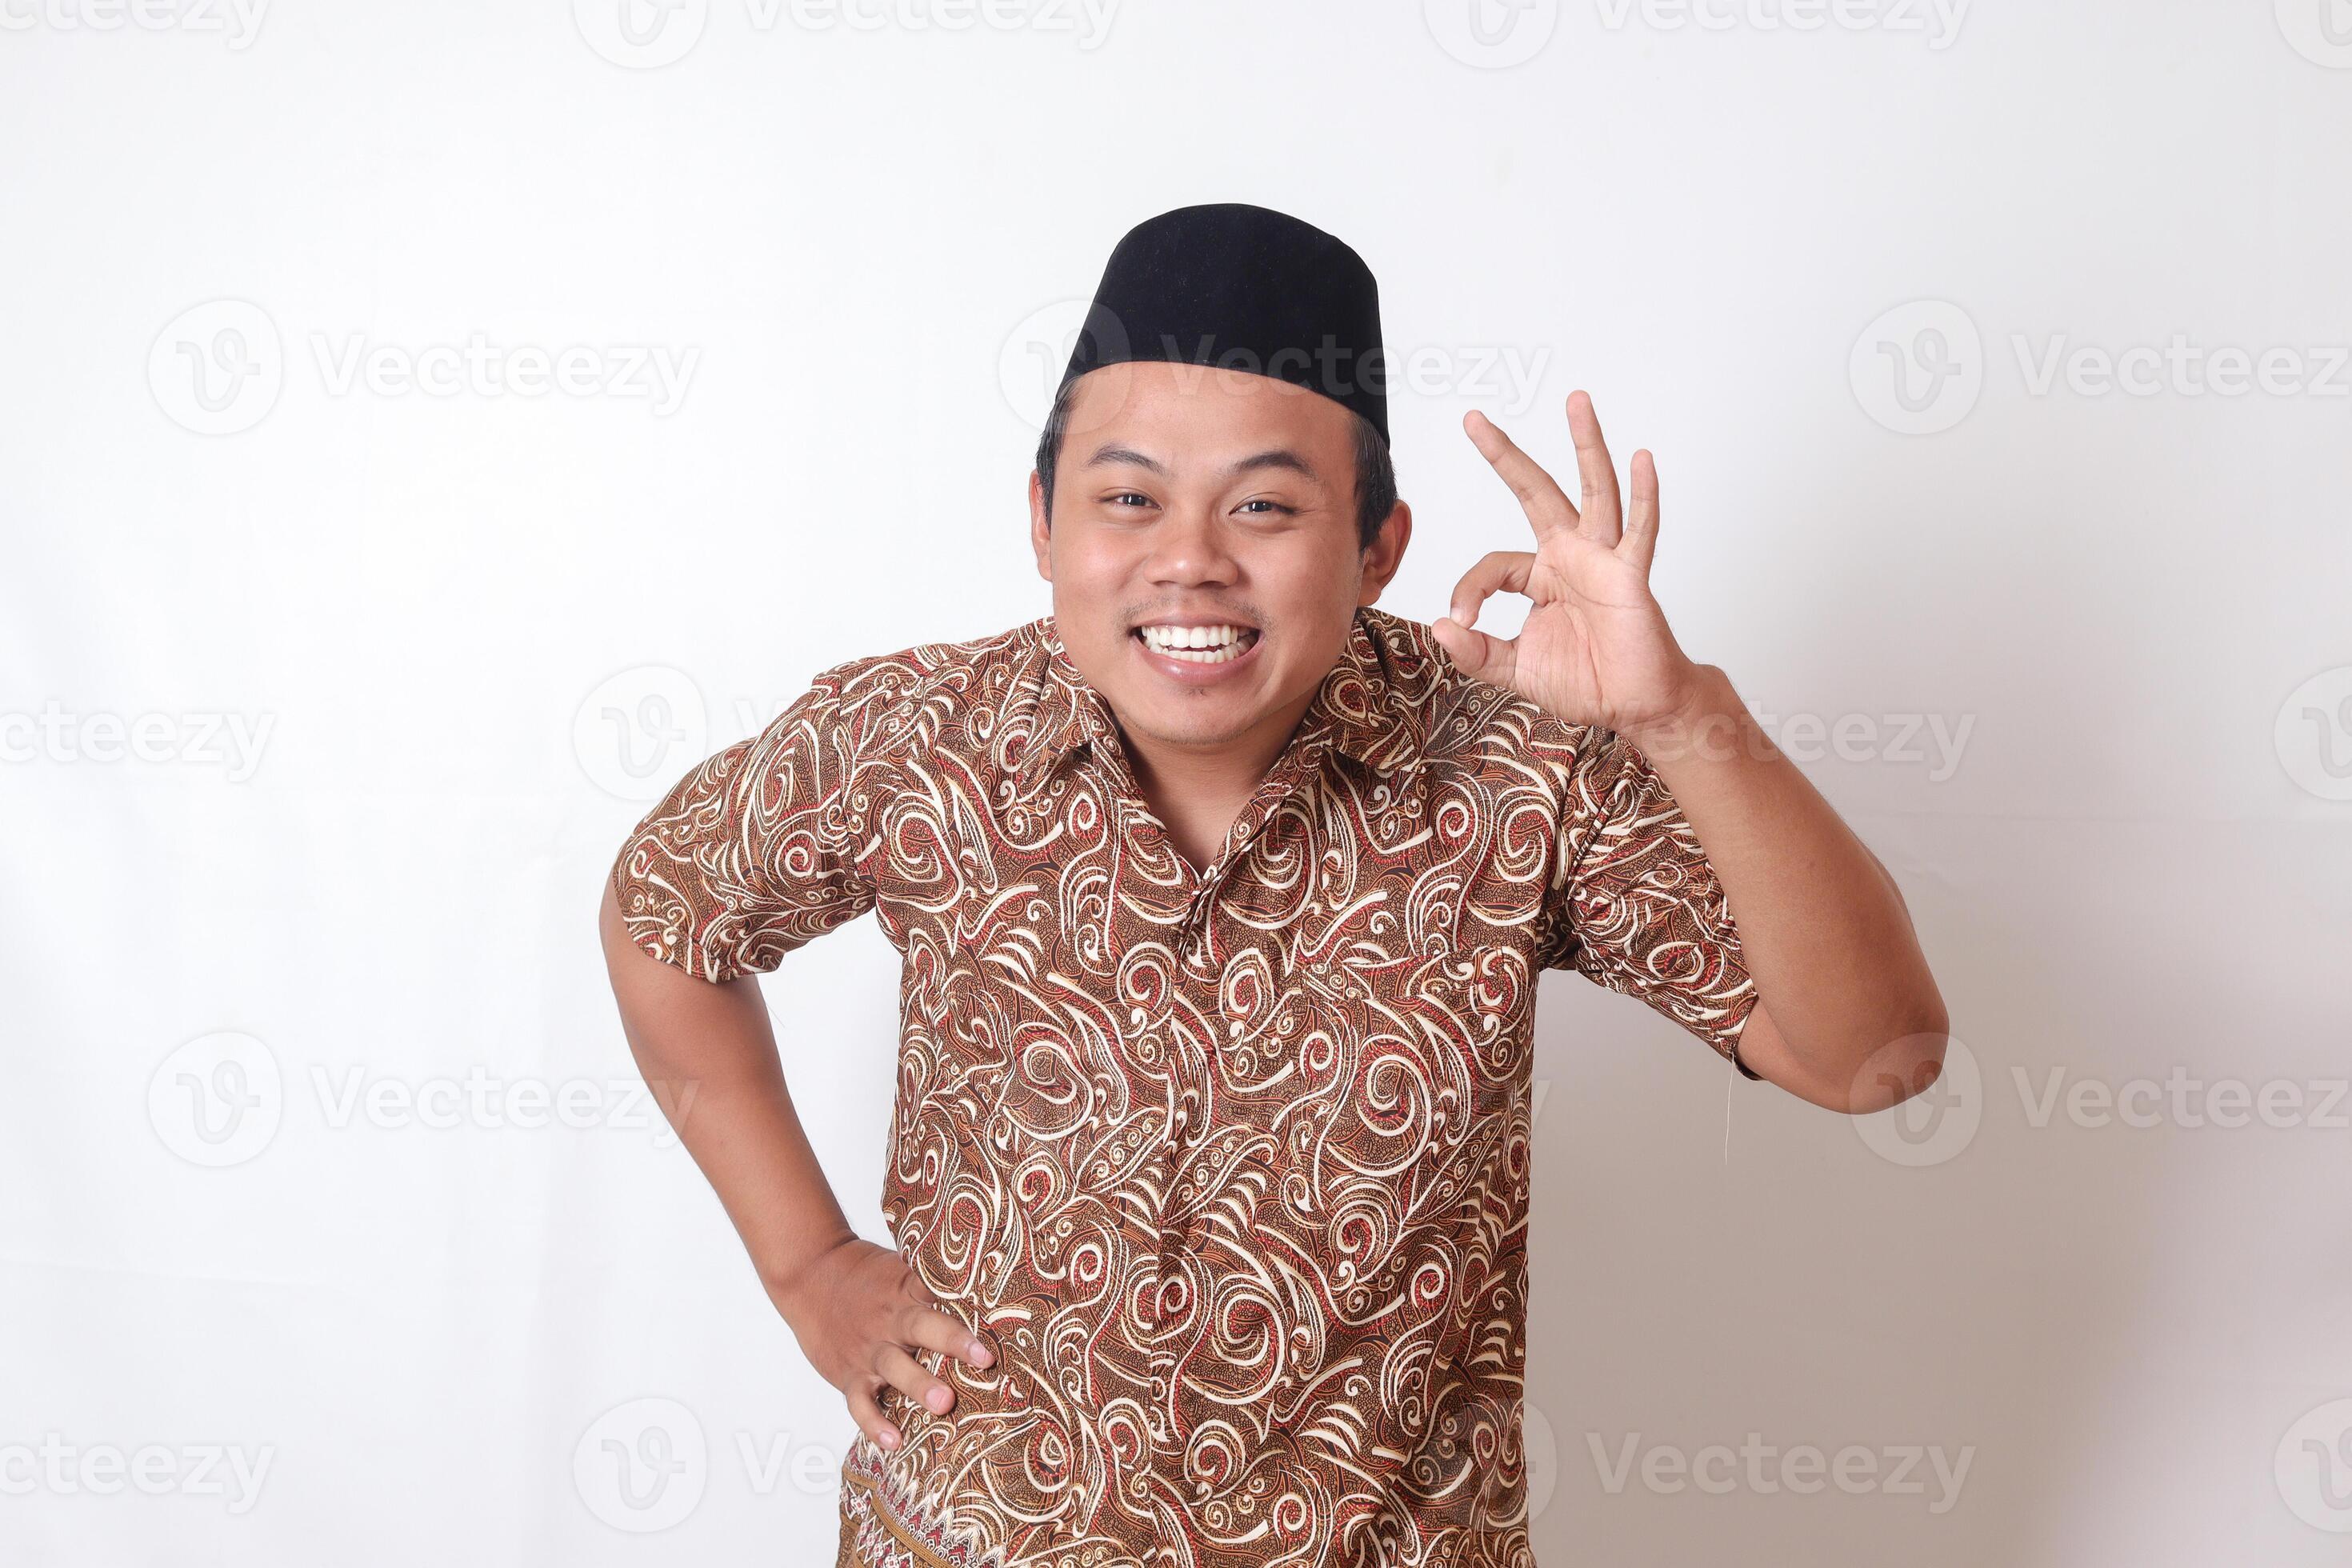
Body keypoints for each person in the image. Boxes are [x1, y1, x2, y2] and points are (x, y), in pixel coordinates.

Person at [598, 202, 1948, 1568]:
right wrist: (809, 1268)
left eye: (1263, 505)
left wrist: (1678, 715)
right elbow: (662, 915)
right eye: (1127, 498)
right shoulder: (916, 743)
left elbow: (1876, 1061)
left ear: (1378, 549)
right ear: (1042, 522)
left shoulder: (1519, 772)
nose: (1190, 558)